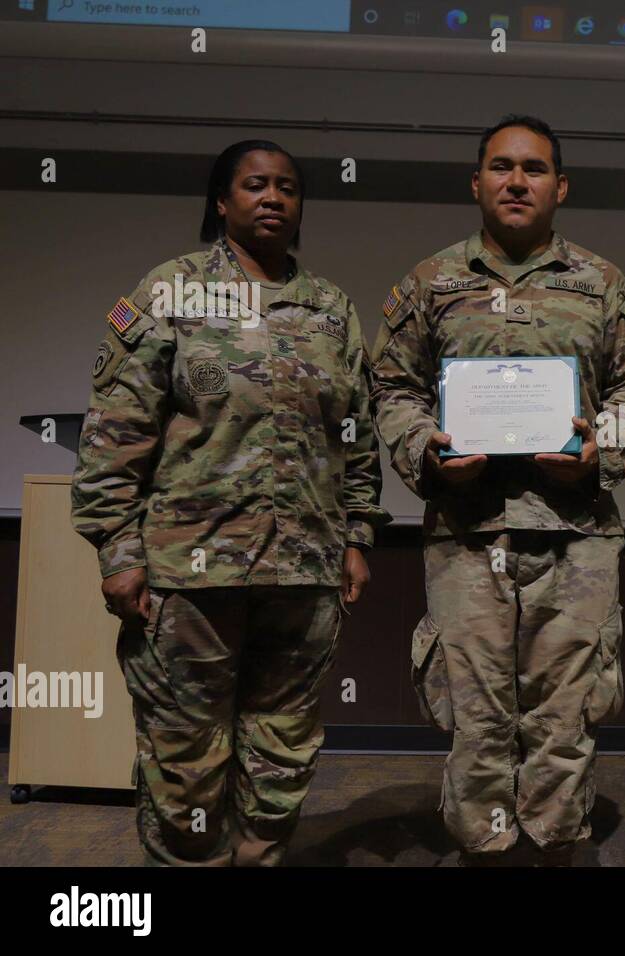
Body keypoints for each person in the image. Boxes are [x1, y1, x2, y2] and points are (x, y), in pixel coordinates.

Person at [71, 139, 388, 866]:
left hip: (303, 577)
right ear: (222, 201)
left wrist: (357, 536)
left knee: (281, 758)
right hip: (188, 578)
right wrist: (119, 554)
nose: (272, 198)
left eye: (286, 187)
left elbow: (357, 436)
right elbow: (114, 436)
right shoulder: (168, 292)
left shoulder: (331, 311)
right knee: (185, 761)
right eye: (254, 185)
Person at [370, 114, 625, 865]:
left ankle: (555, 849)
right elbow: (392, 390)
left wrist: (600, 452)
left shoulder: (602, 285)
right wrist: (424, 452)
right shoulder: (430, 284)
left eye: (534, 169)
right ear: (477, 182)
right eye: (501, 167)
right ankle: (484, 852)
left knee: (565, 717)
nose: (516, 181)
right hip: (466, 536)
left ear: (559, 187)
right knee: (478, 717)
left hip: (577, 535)